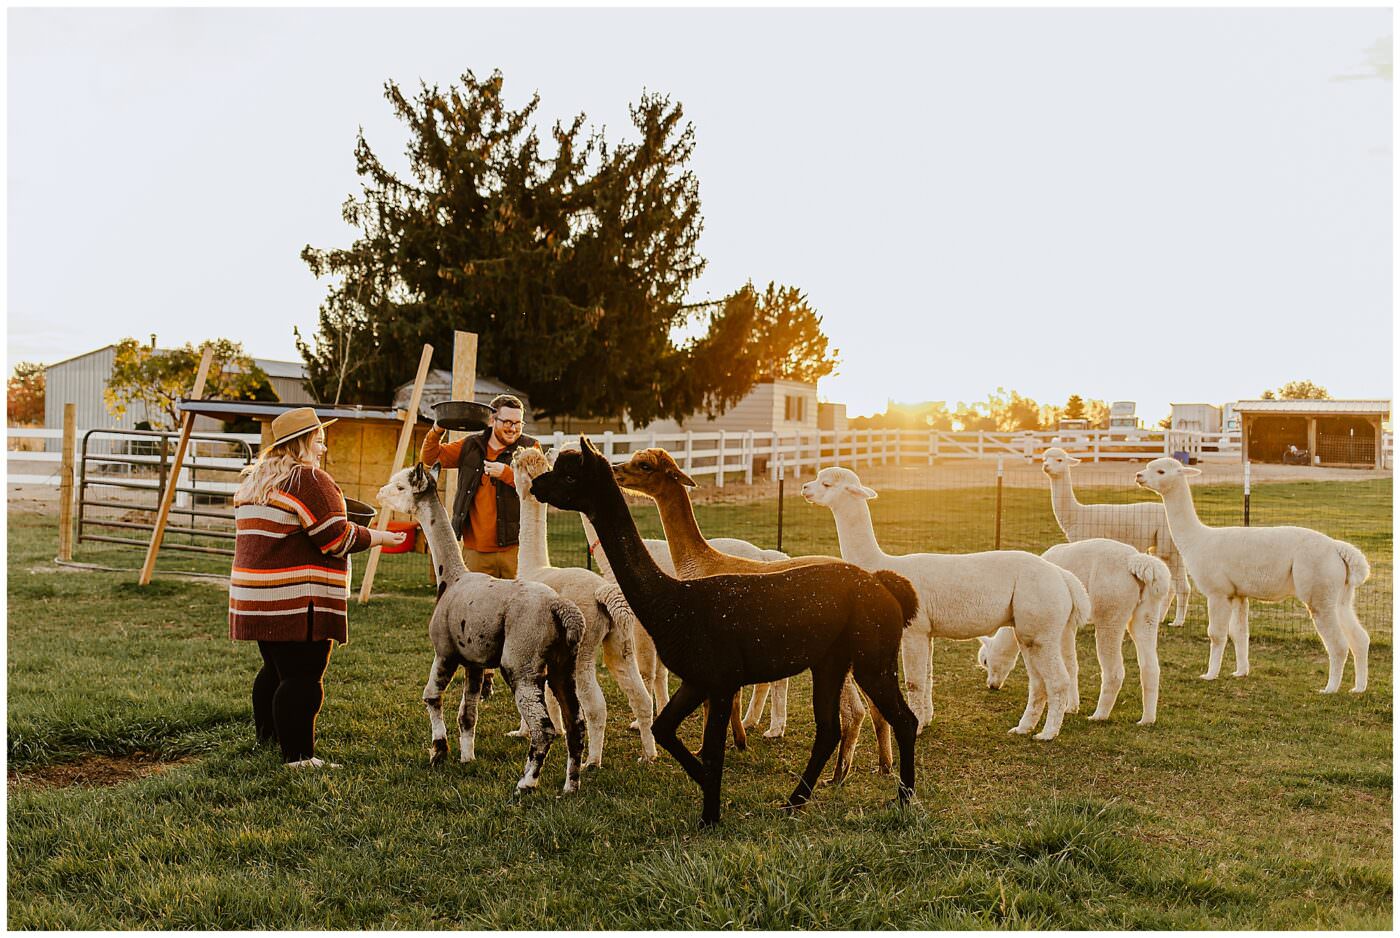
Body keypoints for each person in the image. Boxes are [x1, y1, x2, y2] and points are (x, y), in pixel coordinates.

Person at [229, 406, 406, 769]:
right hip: (294, 597)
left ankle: (269, 738)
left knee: (276, 671)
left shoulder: (255, 480)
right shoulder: (308, 479)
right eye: (320, 441)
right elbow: (334, 538)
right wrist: (382, 537)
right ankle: (299, 758)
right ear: (303, 443)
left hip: (257, 594)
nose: (323, 449)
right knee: (303, 678)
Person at [419, 393, 538, 578]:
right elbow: (429, 457)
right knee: (475, 606)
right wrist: (437, 428)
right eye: (508, 422)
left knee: (518, 605)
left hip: (516, 549)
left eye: (518, 423)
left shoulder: (530, 447)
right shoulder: (470, 446)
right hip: (475, 552)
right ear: (492, 420)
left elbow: (538, 486)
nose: (513, 429)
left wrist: (507, 474)